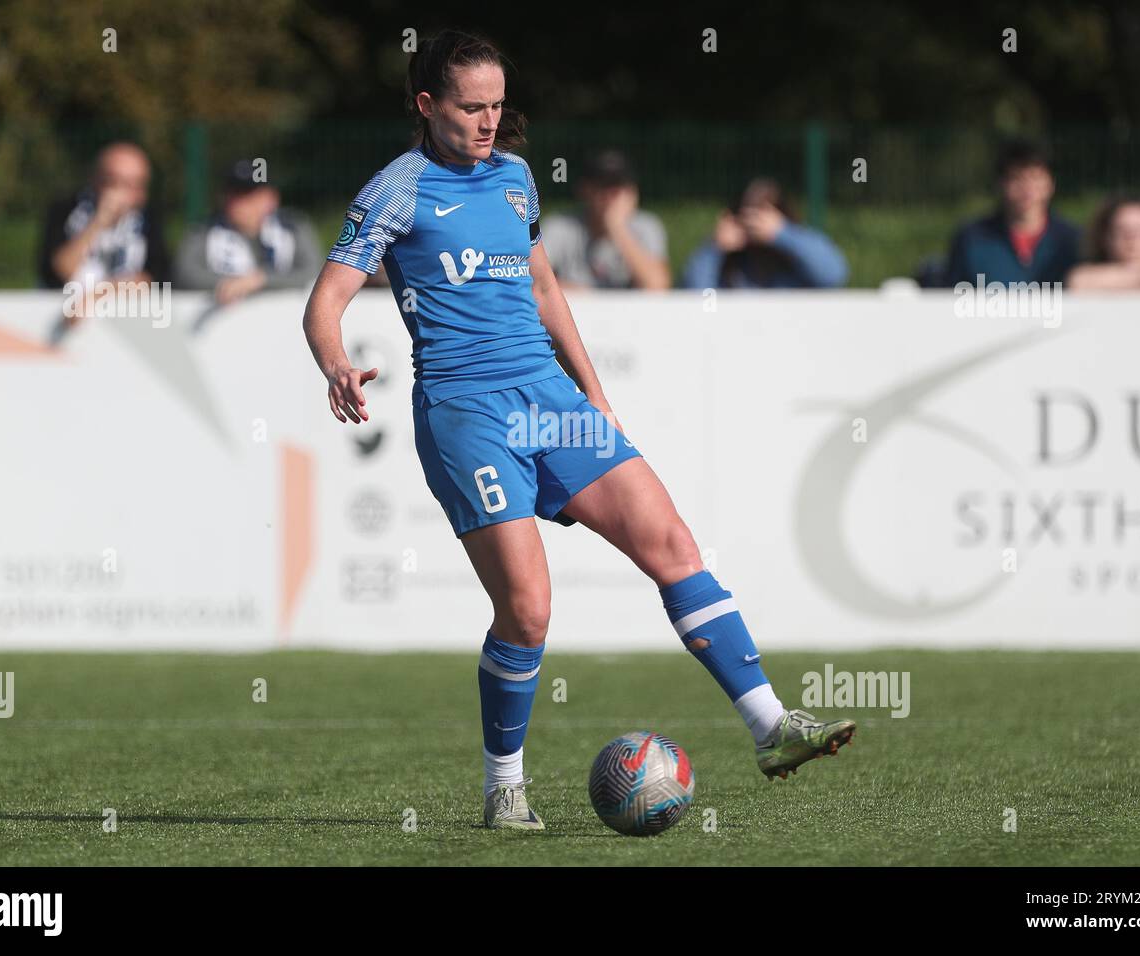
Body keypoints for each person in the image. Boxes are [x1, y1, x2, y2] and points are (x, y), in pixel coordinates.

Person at [301, 30, 855, 831]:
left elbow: (543, 287)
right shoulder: (397, 189)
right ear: (426, 104)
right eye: (471, 107)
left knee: (674, 546)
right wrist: (336, 365)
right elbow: (325, 301)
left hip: (550, 401)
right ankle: (505, 787)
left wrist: (593, 391)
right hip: (467, 412)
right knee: (528, 611)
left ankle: (772, 727)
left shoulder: (515, 177)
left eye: (498, 105)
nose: (489, 121)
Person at [176, 160, 322, 305]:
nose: (239, 202)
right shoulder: (203, 232)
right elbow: (185, 273)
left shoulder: (294, 228)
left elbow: (312, 272)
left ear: (271, 198)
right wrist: (232, 283)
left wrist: (260, 280)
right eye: (234, 194)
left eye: (249, 194)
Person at [946, 139, 1079, 287]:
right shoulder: (972, 240)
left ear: (1051, 183)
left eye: (1035, 177)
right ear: (1000, 184)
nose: (1027, 188)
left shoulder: (1073, 241)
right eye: (1017, 178)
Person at [39, 142, 170, 291]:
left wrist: (101, 293)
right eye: (116, 183)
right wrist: (99, 222)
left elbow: (156, 277)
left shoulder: (149, 219)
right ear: (96, 179)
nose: (126, 194)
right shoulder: (65, 210)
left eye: (137, 185)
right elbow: (57, 271)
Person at [681, 177, 848, 288]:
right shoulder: (730, 267)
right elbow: (697, 296)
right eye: (750, 214)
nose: (756, 223)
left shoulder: (797, 259)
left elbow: (833, 275)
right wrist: (714, 248)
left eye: (764, 213)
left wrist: (783, 234)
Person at [539, 150, 671, 290]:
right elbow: (531, 280)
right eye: (602, 186)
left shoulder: (646, 227)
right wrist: (584, 295)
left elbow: (657, 286)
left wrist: (617, 227)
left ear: (632, 192)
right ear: (584, 189)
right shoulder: (560, 226)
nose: (609, 195)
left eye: (617, 186)